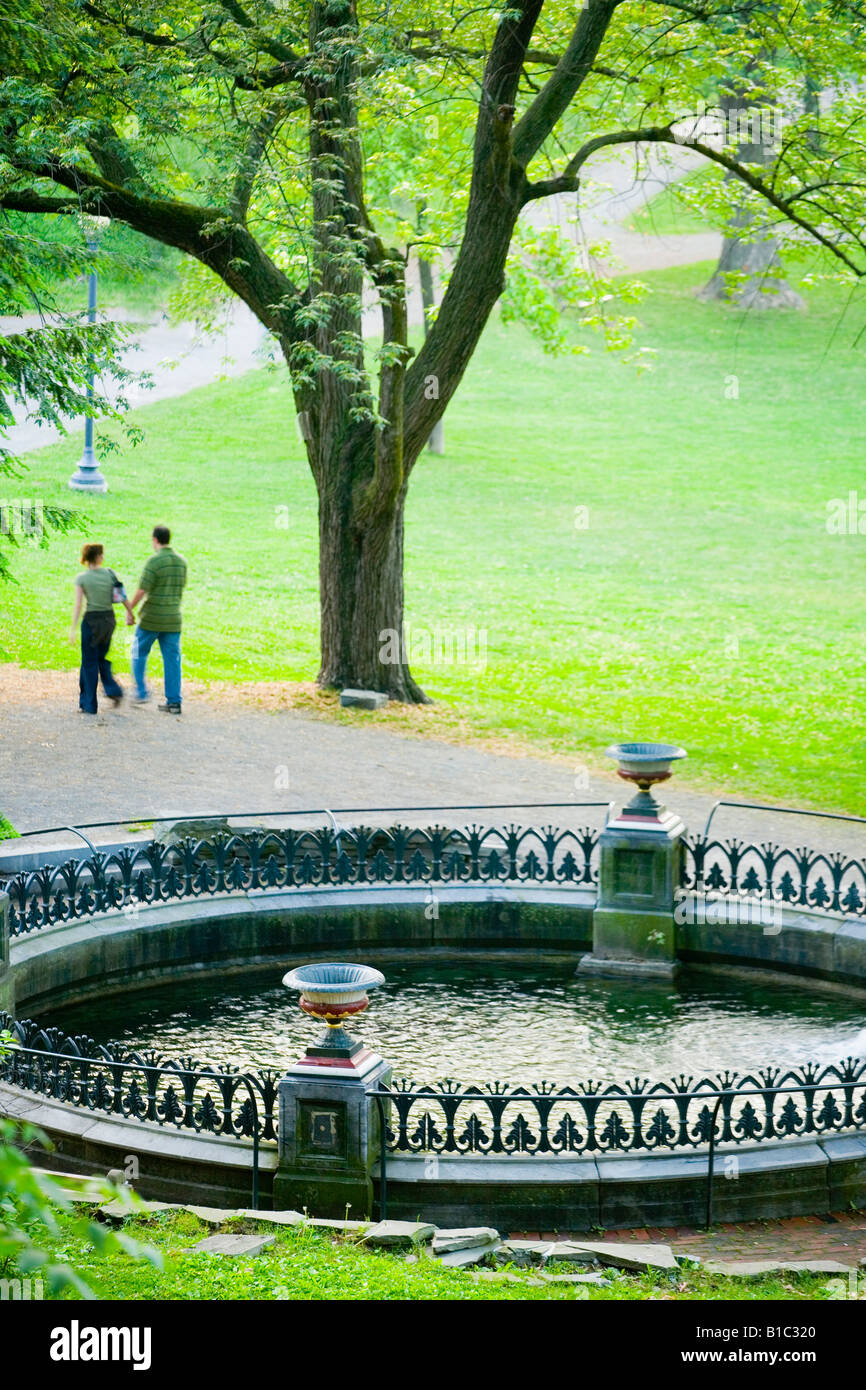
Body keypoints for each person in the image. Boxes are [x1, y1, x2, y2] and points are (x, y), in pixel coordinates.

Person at [69, 542, 135, 716]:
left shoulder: (82, 579)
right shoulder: (110, 574)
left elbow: (78, 605)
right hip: (108, 621)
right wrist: (130, 613)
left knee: (89, 662)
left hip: (91, 621)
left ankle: (89, 705)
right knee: (99, 658)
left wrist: (73, 628)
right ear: (98, 557)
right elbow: (122, 596)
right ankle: (113, 689)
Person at [130, 524, 187, 714]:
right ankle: (174, 701)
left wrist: (130, 608)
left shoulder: (154, 562)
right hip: (173, 619)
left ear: (155, 540)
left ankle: (141, 691)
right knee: (172, 660)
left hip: (152, 618)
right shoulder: (181, 562)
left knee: (138, 652)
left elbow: (142, 589)